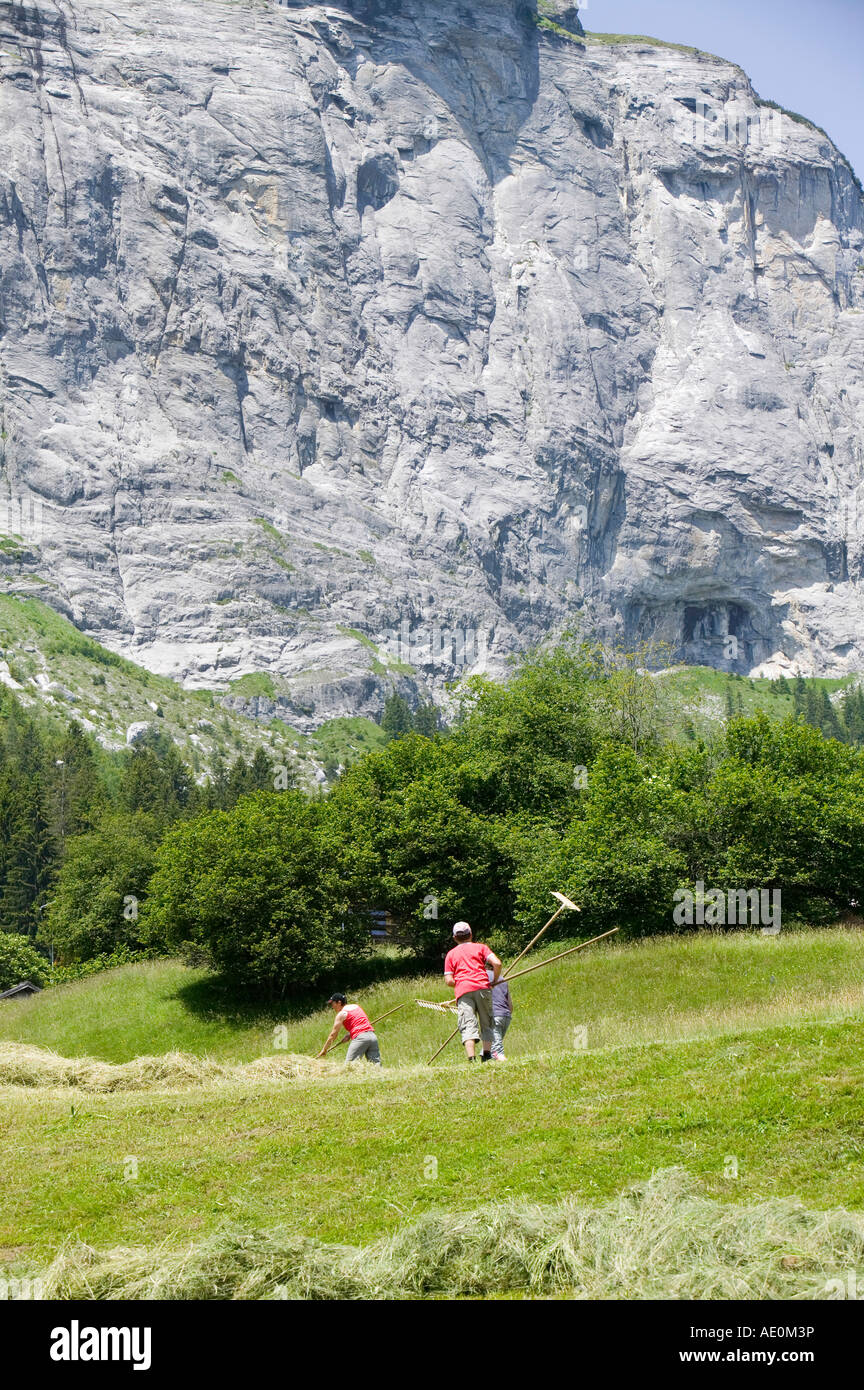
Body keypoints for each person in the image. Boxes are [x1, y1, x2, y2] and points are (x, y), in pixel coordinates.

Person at [443, 922, 502, 1062]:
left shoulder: (451, 954)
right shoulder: (481, 947)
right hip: (482, 987)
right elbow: (497, 963)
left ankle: (471, 1058)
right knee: (486, 1021)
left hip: (463, 991)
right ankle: (486, 1055)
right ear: (471, 934)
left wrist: (462, 982)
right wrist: (494, 980)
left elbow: (449, 981)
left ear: (454, 938)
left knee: (468, 1023)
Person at [317, 993, 381, 1065]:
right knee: (376, 1065)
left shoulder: (342, 1014)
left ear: (339, 1003)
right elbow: (360, 1024)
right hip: (372, 1036)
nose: (332, 1006)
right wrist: (350, 1034)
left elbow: (333, 1035)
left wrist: (324, 1050)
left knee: (349, 1066)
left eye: (332, 1003)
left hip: (361, 1039)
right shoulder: (356, 1006)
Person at [487, 963, 513, 1060]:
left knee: (497, 1052)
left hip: (494, 1016)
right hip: (505, 1016)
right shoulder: (502, 979)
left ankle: (504, 1062)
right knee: (491, 1046)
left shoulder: (482, 977)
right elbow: (510, 1006)